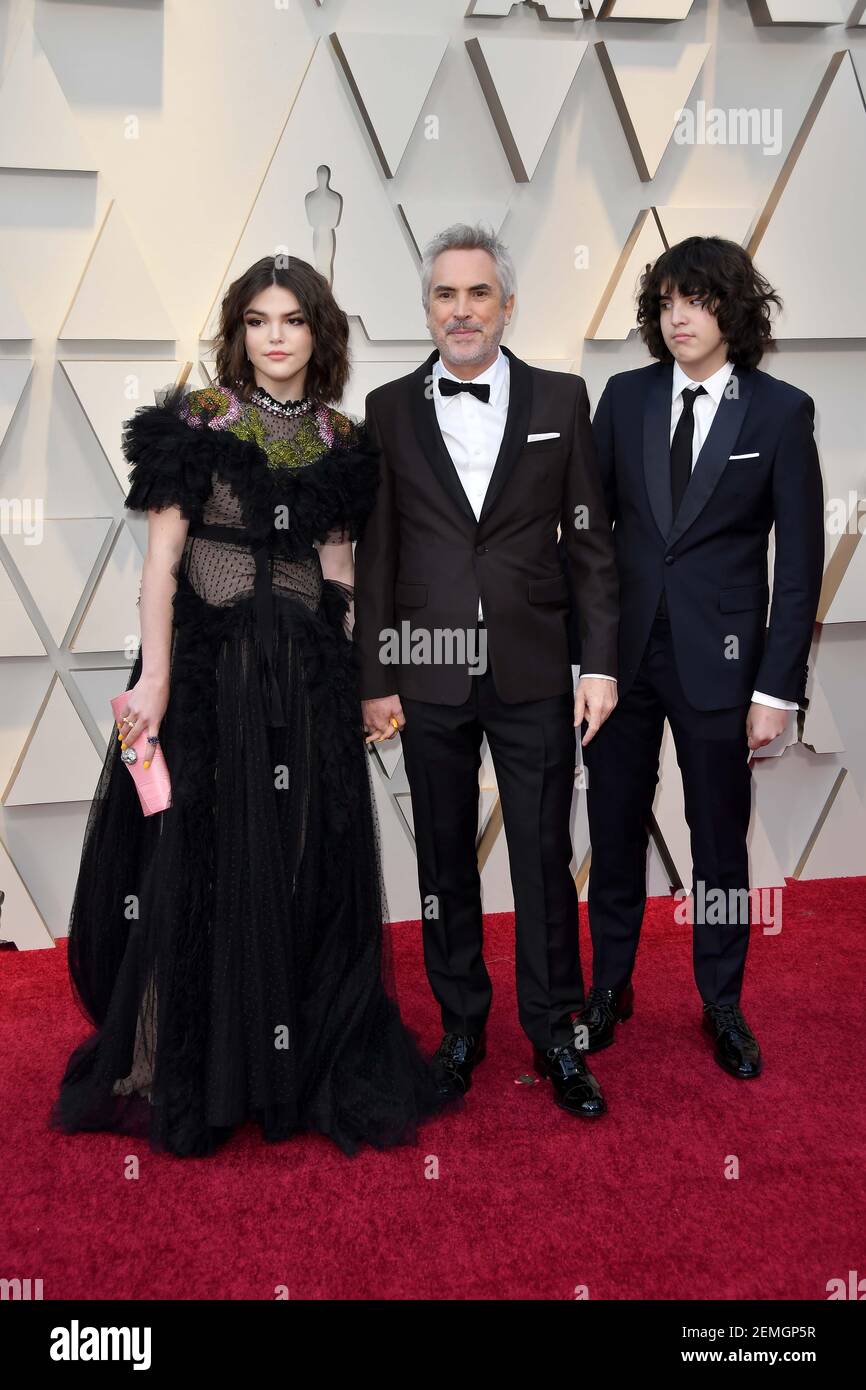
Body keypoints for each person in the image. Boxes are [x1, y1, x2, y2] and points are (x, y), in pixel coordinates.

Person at [51, 255, 458, 1158]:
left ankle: (295, 1064)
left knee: (299, 864)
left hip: (307, 684)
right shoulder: (197, 422)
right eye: (258, 321)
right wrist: (154, 680)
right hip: (212, 675)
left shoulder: (344, 440)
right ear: (240, 332)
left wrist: (358, 685)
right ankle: (195, 1067)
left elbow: (340, 573)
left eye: (294, 321)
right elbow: (163, 564)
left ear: (321, 333)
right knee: (199, 866)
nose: (275, 336)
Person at [353, 224, 619, 1118]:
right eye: (444, 295)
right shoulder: (387, 411)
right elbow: (378, 551)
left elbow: (588, 542)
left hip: (534, 665)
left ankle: (555, 1033)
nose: (460, 311)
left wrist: (600, 666)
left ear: (507, 304)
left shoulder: (561, 397)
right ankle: (461, 1023)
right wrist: (376, 675)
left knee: (545, 857)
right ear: (426, 309)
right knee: (441, 861)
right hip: (426, 670)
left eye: (477, 294)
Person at [578, 236, 824, 1078]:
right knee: (611, 831)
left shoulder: (781, 412)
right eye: (666, 302)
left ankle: (721, 1002)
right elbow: (592, 538)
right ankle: (610, 987)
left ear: (733, 309)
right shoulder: (625, 397)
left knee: (717, 842)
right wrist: (591, 658)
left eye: (697, 299)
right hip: (622, 661)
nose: (678, 317)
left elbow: (796, 566)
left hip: (724, 665)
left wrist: (777, 689)